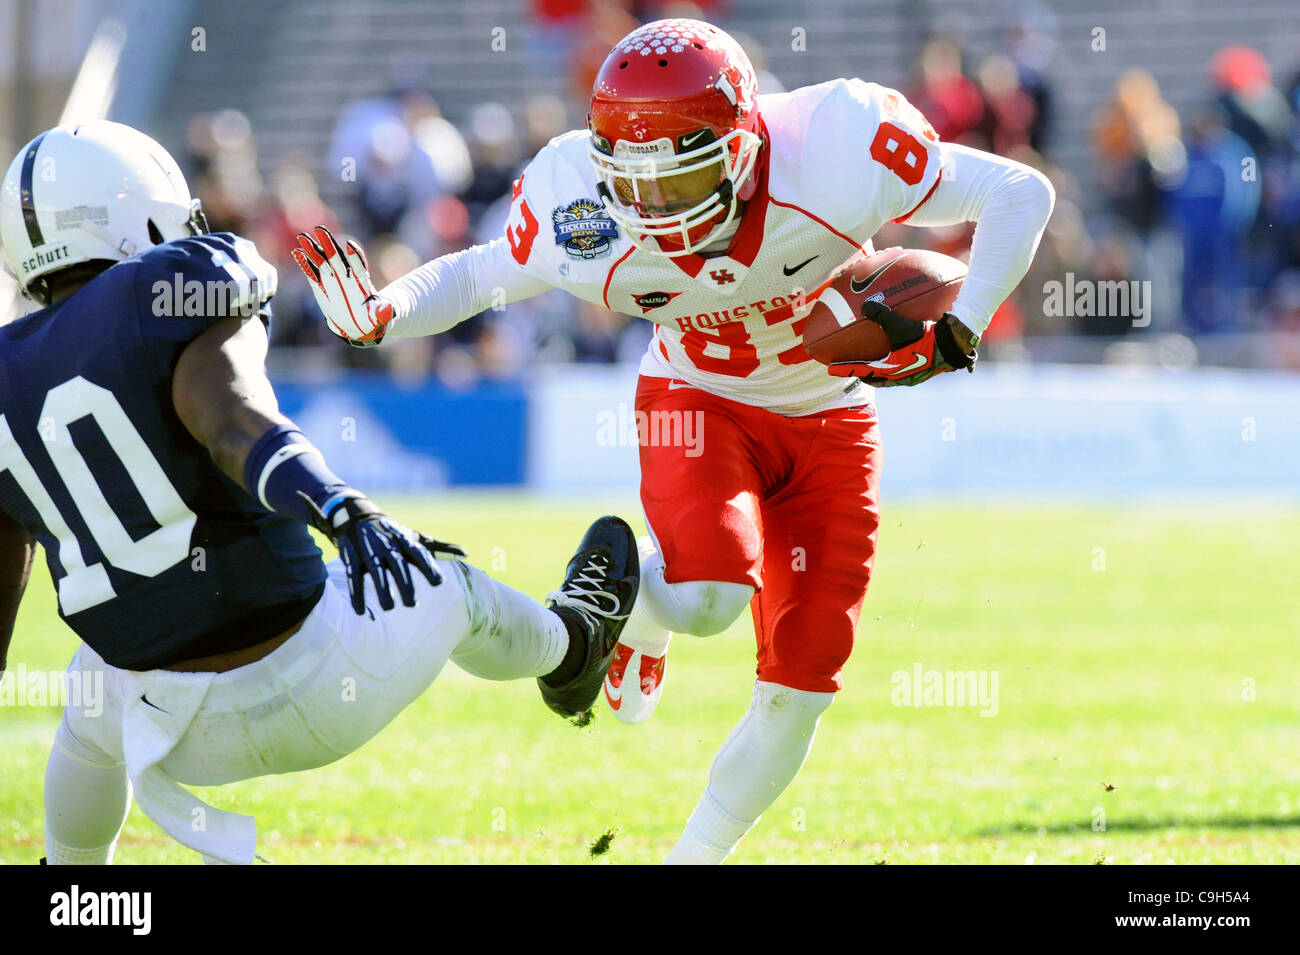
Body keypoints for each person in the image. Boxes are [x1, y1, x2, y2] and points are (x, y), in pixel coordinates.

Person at [300, 18, 1054, 864]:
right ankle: (642, 612)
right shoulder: (577, 199)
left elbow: (1021, 192)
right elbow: (483, 272)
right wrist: (383, 315)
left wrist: (962, 327)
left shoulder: (838, 144)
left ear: (742, 146)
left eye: (682, 176)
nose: (655, 206)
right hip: (696, 397)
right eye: (636, 183)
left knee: (799, 692)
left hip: (833, 421)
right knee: (710, 599)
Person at [0, 121, 638, 865]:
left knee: (88, 697)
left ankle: (71, 887)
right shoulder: (169, 288)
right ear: (137, 213)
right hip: (308, 681)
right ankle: (572, 650)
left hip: (158, 725)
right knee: (454, 586)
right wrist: (341, 505)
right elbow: (235, 424)